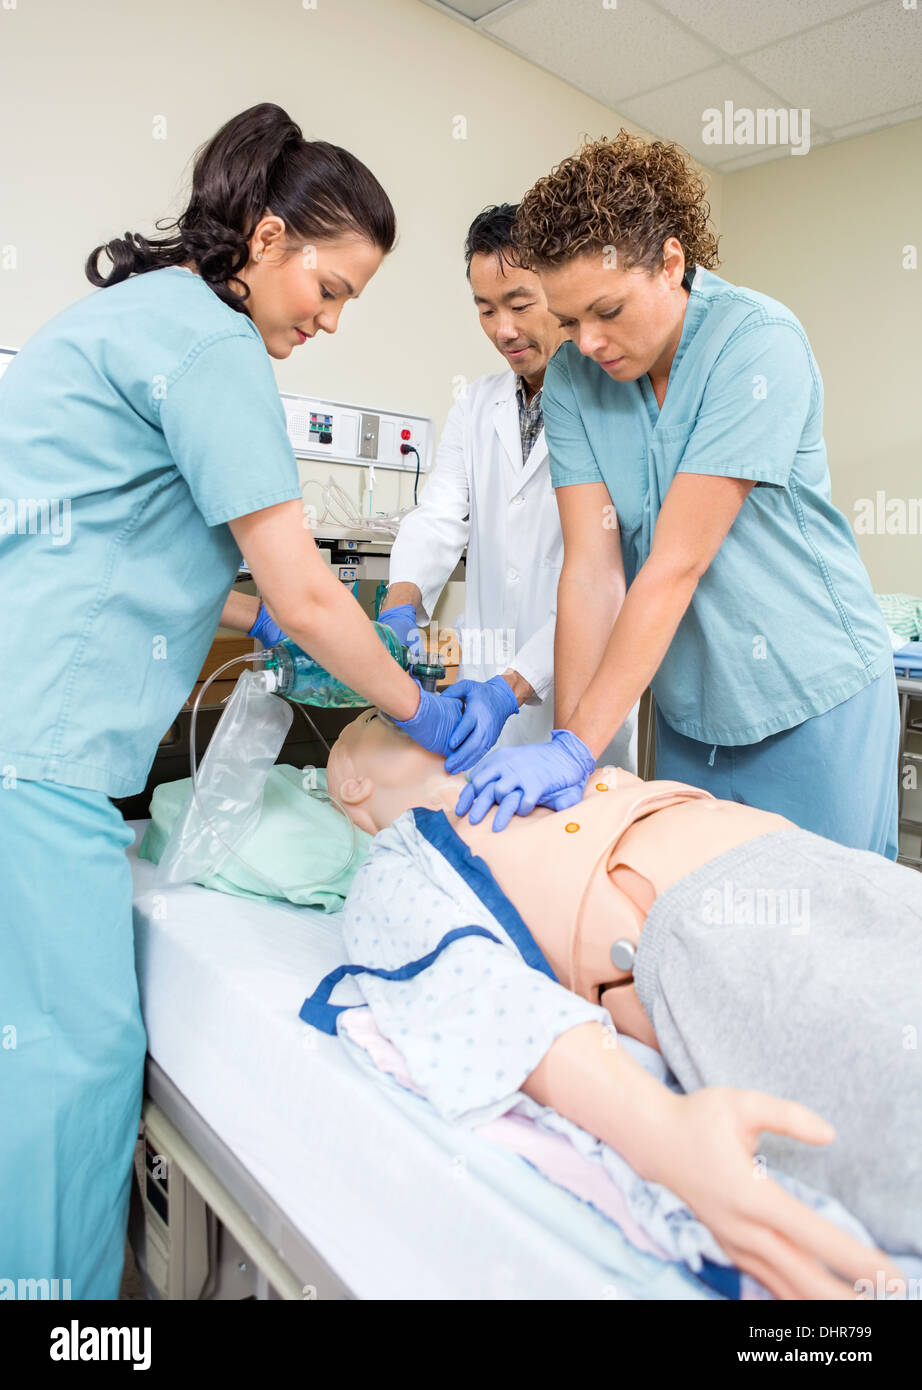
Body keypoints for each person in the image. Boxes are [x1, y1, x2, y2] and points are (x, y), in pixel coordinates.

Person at [0, 102, 462, 1297]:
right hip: (33, 743)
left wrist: (286, 633)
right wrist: (414, 704)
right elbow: (307, 590)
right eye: (332, 283)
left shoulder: (139, 318)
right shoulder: (211, 349)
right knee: (80, 1057)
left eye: (354, 298)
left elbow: (157, 562)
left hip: (31, 724)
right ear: (263, 240)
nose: (330, 315)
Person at [302, 707, 920, 1299]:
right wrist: (662, 1134)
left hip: (837, 870)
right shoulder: (404, 855)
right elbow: (481, 997)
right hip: (733, 939)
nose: (418, 701)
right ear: (352, 785)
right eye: (378, 715)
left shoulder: (549, 768)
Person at [453, 133, 899, 854]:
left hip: (814, 694)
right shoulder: (572, 380)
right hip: (694, 717)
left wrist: (571, 749)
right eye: (568, 321)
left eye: (607, 311)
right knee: (697, 925)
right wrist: (578, 755)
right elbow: (593, 571)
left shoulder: (755, 344)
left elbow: (673, 565)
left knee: (826, 935)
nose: (588, 343)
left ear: (670, 263)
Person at [377, 204, 637, 774]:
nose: (504, 329)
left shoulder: (616, 405)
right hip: (483, 684)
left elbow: (611, 578)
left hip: (577, 697)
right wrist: (402, 601)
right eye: (486, 309)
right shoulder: (477, 403)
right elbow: (441, 514)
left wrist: (515, 685)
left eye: (520, 304)